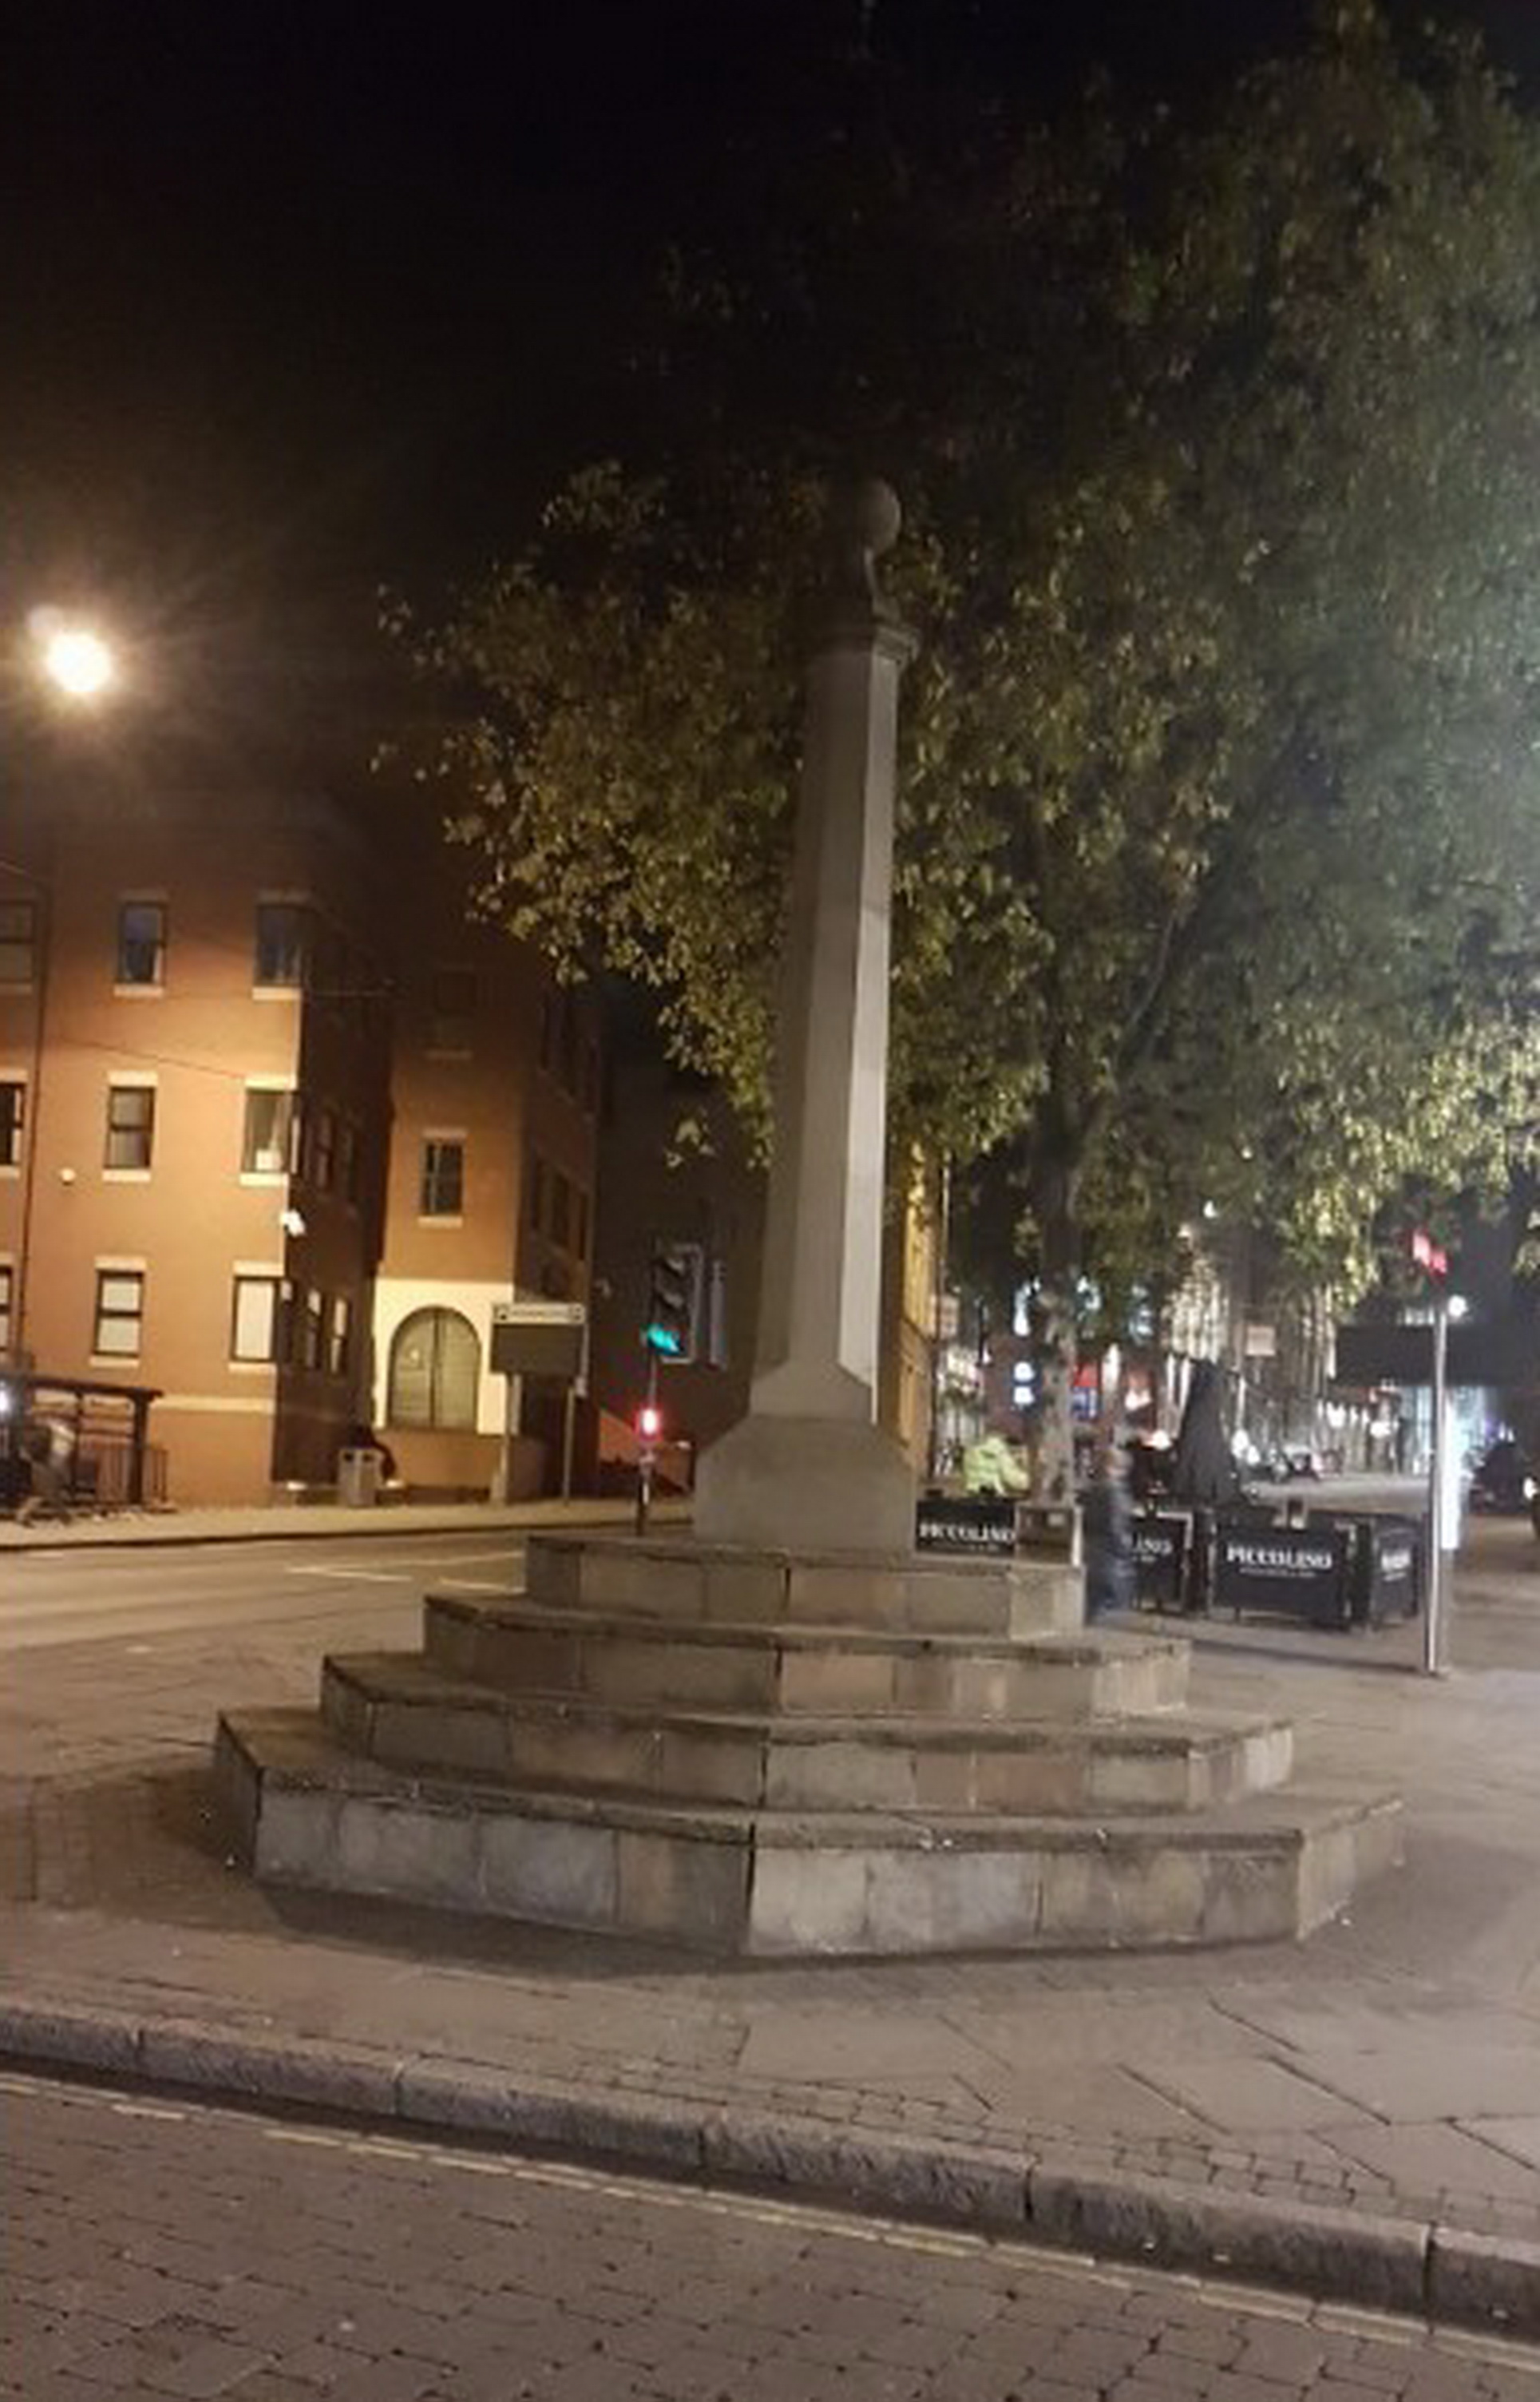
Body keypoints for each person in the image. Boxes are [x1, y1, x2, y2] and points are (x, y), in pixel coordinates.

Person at [1082, 1437, 1134, 1620]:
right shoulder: (1115, 1495)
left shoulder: (1090, 1491)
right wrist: (1124, 1549)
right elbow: (1116, 1527)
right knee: (1107, 1608)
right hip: (1109, 1558)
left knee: (1091, 1604)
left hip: (1090, 1552)